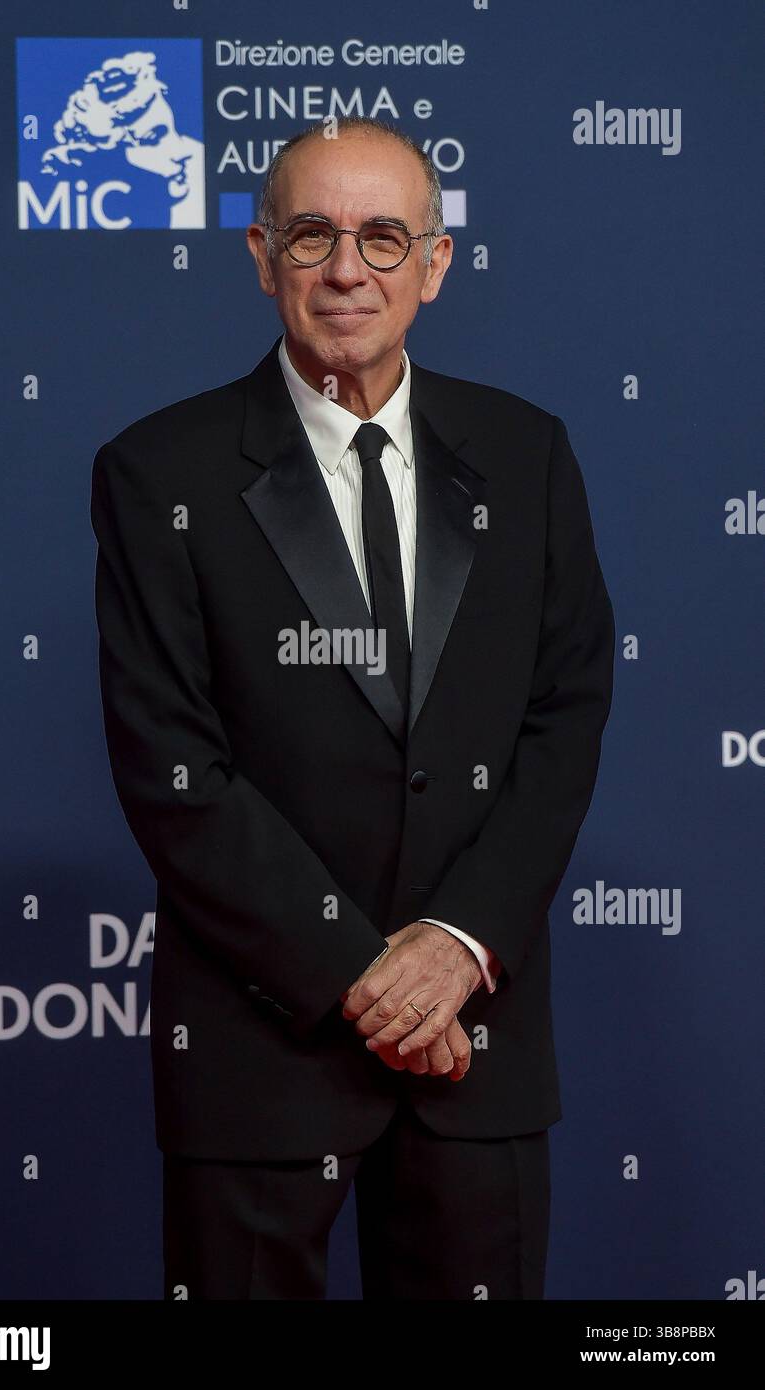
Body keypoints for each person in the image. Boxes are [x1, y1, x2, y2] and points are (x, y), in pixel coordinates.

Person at [90, 115, 615, 1300]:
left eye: (384, 237)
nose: (346, 269)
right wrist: (364, 977)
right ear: (261, 254)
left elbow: (564, 715)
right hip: (257, 1055)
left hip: (474, 1055)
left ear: (433, 264)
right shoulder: (157, 473)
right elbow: (173, 769)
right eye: (313, 233)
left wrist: (454, 945)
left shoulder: (526, 455)